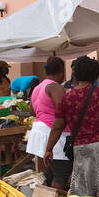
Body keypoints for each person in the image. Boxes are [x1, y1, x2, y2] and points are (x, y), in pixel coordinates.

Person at [45, 56, 99, 197]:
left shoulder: (68, 98)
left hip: (83, 148)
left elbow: (57, 127)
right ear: (96, 74)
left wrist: (49, 149)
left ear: (76, 74)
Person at [26, 56, 70, 186]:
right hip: (54, 133)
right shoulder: (56, 87)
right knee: (61, 173)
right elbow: (62, 111)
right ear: (61, 71)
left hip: (40, 130)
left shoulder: (37, 88)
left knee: (51, 172)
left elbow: (32, 112)